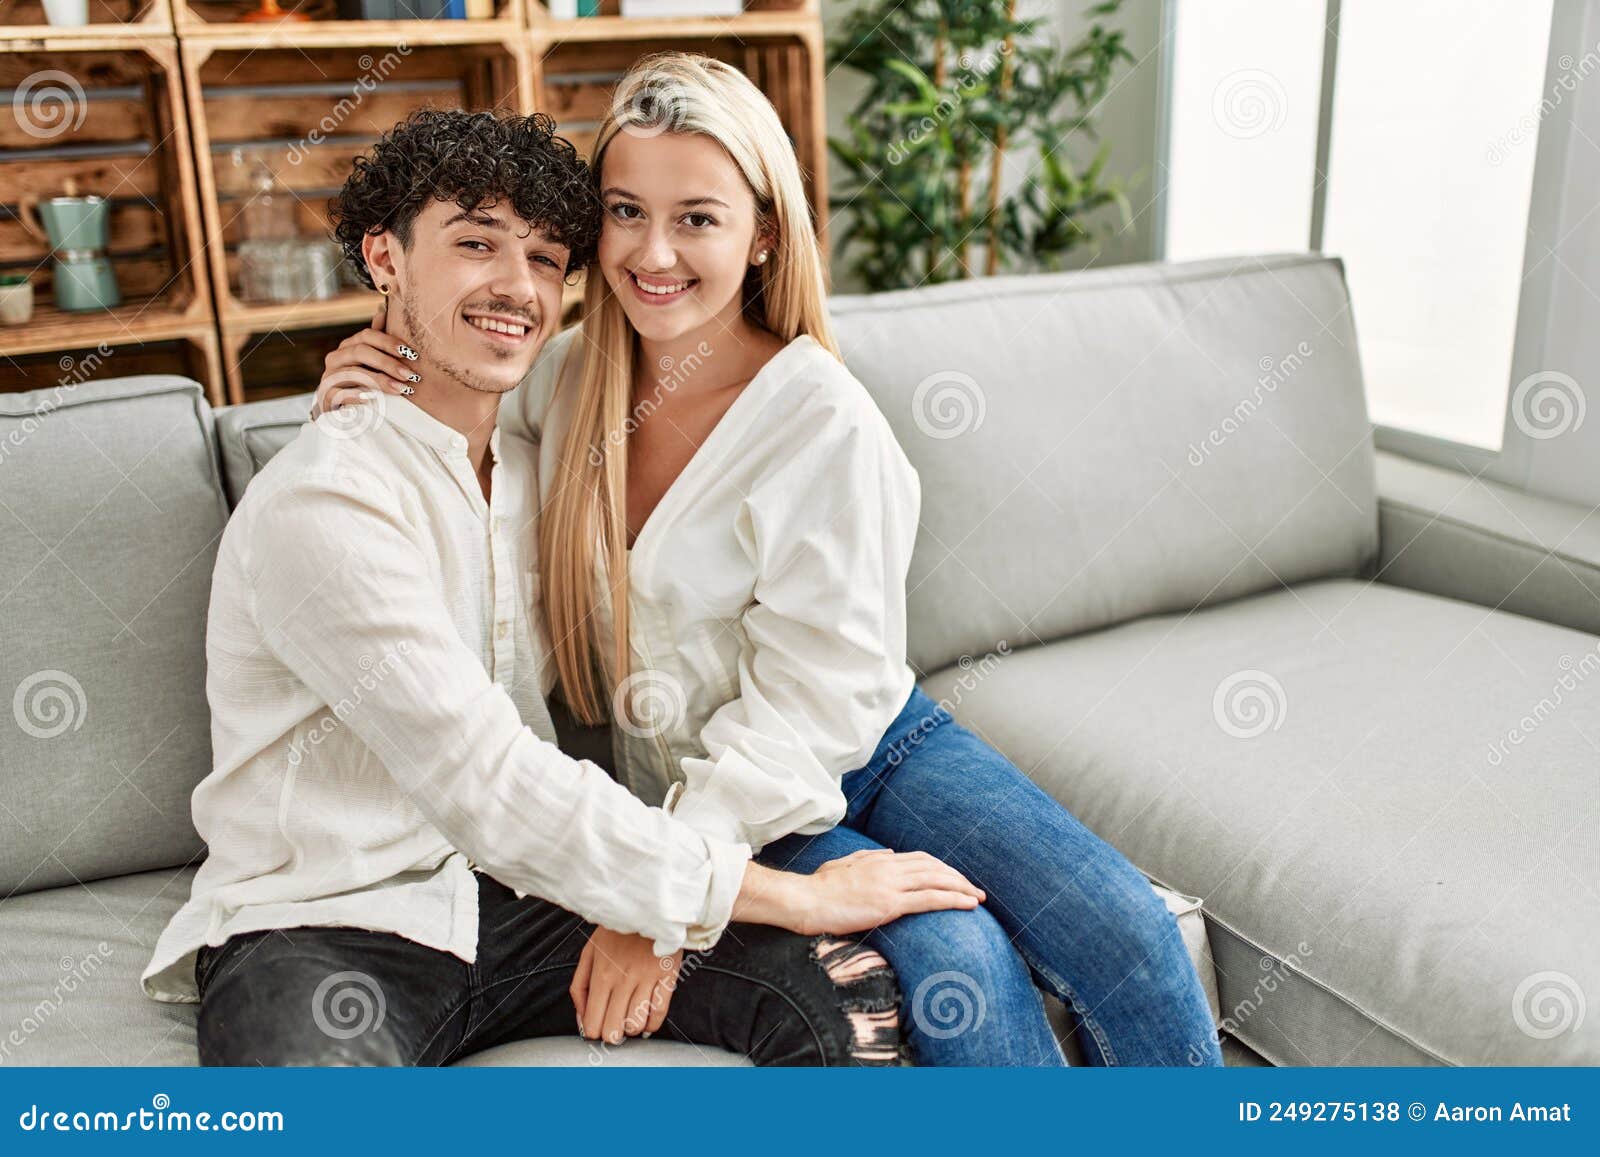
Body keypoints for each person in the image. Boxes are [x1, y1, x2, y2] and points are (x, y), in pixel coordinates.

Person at [316, 55, 1221, 1067]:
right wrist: (370, 377)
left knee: (1124, 925)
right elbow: (458, 470)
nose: (653, 251)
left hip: (861, 740)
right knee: (953, 953)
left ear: (763, 235)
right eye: (624, 210)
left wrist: (661, 901)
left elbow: (817, 702)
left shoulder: (821, 420)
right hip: (714, 769)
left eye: (697, 217)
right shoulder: (561, 381)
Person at [146, 108, 993, 1067]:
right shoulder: (323, 502)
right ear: (382, 257)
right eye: (475, 244)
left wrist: (675, 902)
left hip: (527, 896)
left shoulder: (540, 455)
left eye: (547, 259)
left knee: (844, 994)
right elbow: (488, 779)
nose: (517, 286)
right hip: (326, 920)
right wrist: (788, 895)